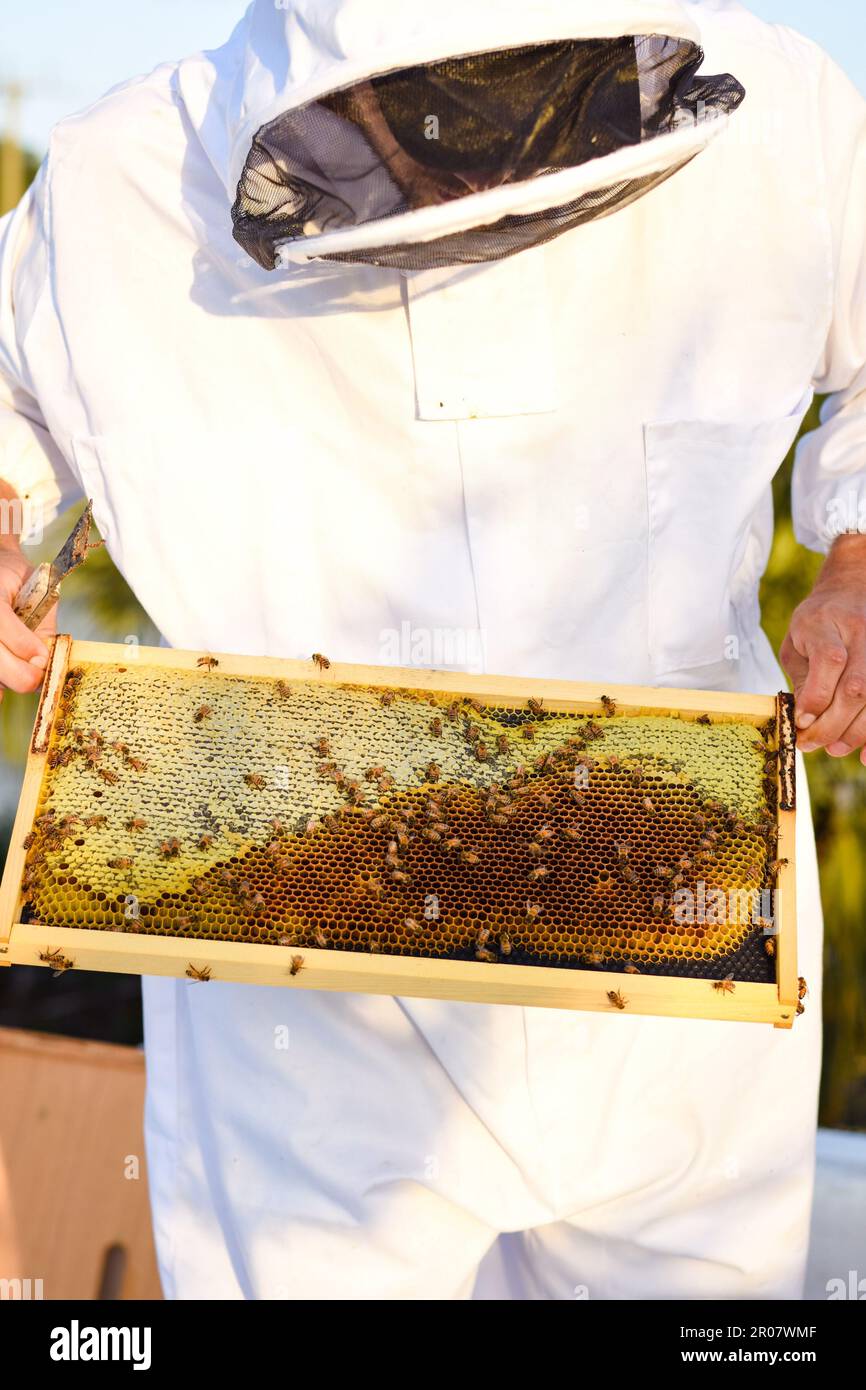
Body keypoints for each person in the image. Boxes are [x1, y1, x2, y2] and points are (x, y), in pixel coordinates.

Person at [0, 0, 864, 1300]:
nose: (466, 168)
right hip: (303, 977)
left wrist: (855, 557)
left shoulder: (784, 112)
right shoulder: (127, 176)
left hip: (678, 938)